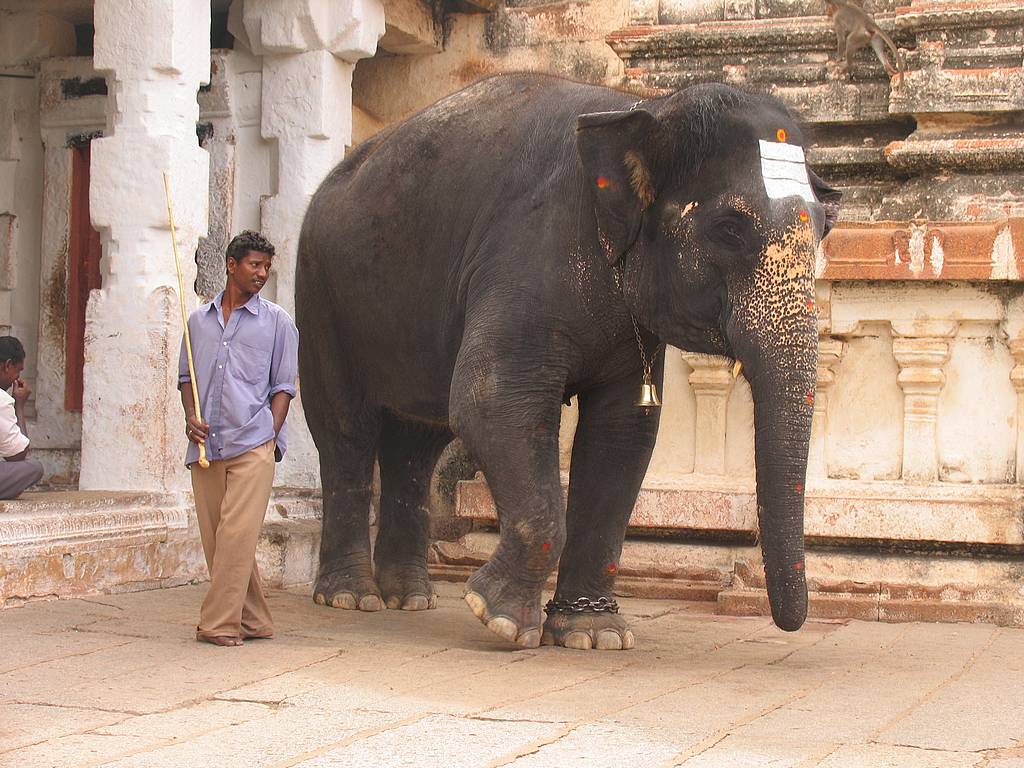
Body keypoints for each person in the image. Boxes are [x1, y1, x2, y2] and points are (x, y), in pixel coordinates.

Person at [179, 231, 298, 647]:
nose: (262, 273)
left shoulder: (279, 323)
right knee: (218, 540)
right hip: (206, 446)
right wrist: (191, 416)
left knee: (236, 535)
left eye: (267, 266)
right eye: (254, 265)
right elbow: (186, 379)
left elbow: (283, 386)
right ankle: (256, 619)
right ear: (232, 265)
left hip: (254, 445)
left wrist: (270, 432)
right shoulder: (197, 321)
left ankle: (218, 623)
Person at [0, 336, 44, 500]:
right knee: (33, 467)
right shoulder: (2, 400)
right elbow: (18, 455)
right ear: (8, 365)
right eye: (18, 370)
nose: (17, 378)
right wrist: (19, 405)